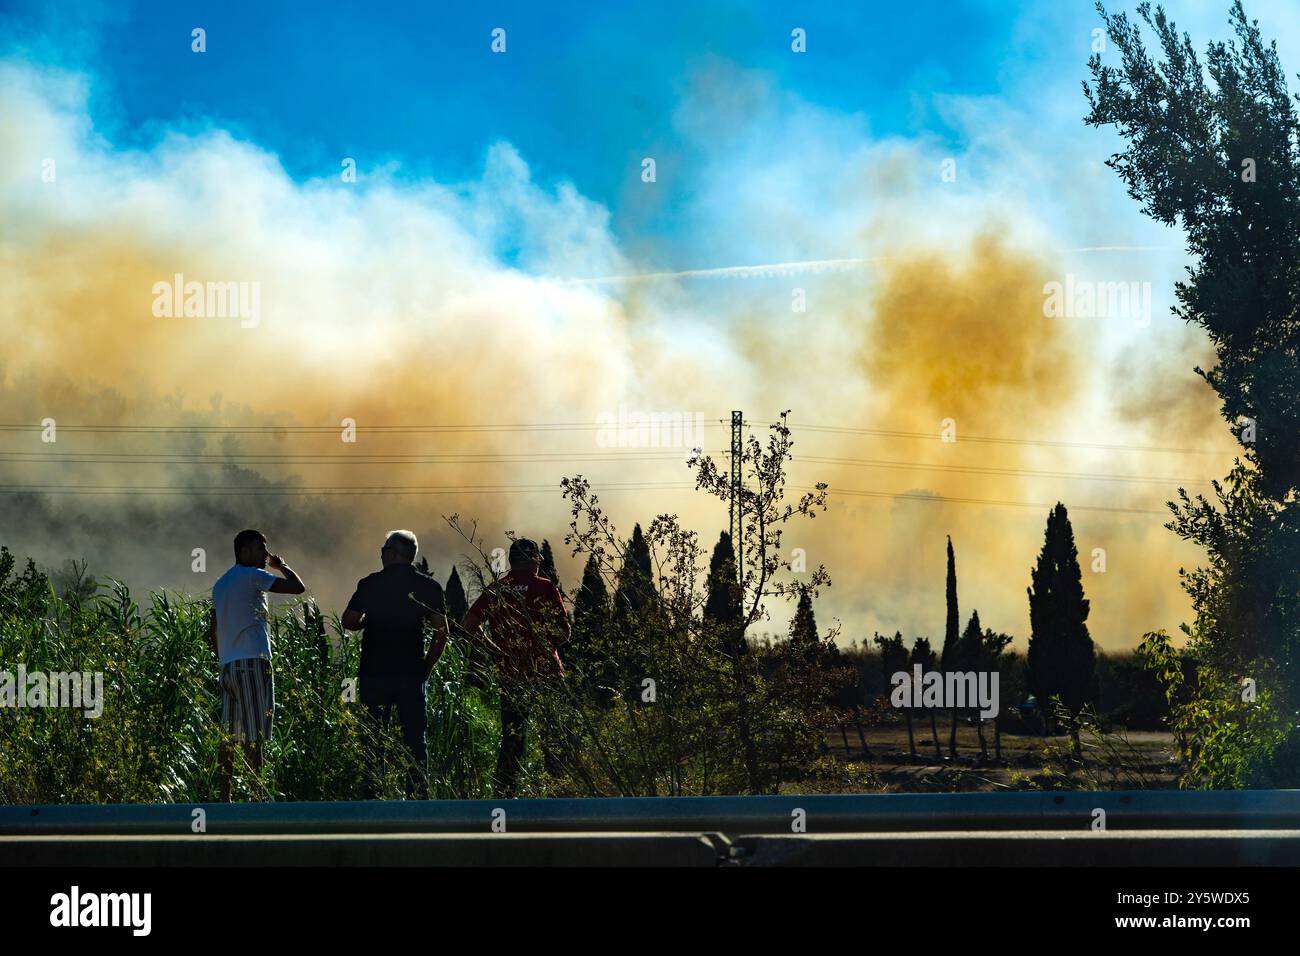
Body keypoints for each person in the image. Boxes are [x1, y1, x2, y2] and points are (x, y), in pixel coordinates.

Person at [340, 530, 448, 798]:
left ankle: (373, 796)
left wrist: (368, 620)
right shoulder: (428, 586)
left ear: (391, 553)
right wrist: (427, 666)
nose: (380, 553)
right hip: (411, 673)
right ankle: (417, 799)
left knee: (373, 738)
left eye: (383, 549)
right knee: (415, 739)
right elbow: (441, 631)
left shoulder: (370, 583)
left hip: (374, 672)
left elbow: (349, 621)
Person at [460, 538, 569, 797]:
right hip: (547, 674)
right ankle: (560, 796)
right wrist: (541, 643)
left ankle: (505, 798)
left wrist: (492, 649)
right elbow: (564, 632)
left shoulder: (498, 589)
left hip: (511, 675)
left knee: (512, 739)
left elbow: (467, 626)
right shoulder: (544, 587)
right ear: (535, 559)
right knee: (554, 737)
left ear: (510, 560)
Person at [209, 529, 306, 802]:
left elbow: (213, 631)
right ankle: (256, 797)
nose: (266, 555)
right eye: (261, 550)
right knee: (255, 733)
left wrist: (224, 658)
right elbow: (298, 588)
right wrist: (281, 566)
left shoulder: (220, 584)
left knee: (229, 735)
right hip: (252, 662)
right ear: (245, 551)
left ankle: (224, 797)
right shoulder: (253, 576)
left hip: (228, 666)